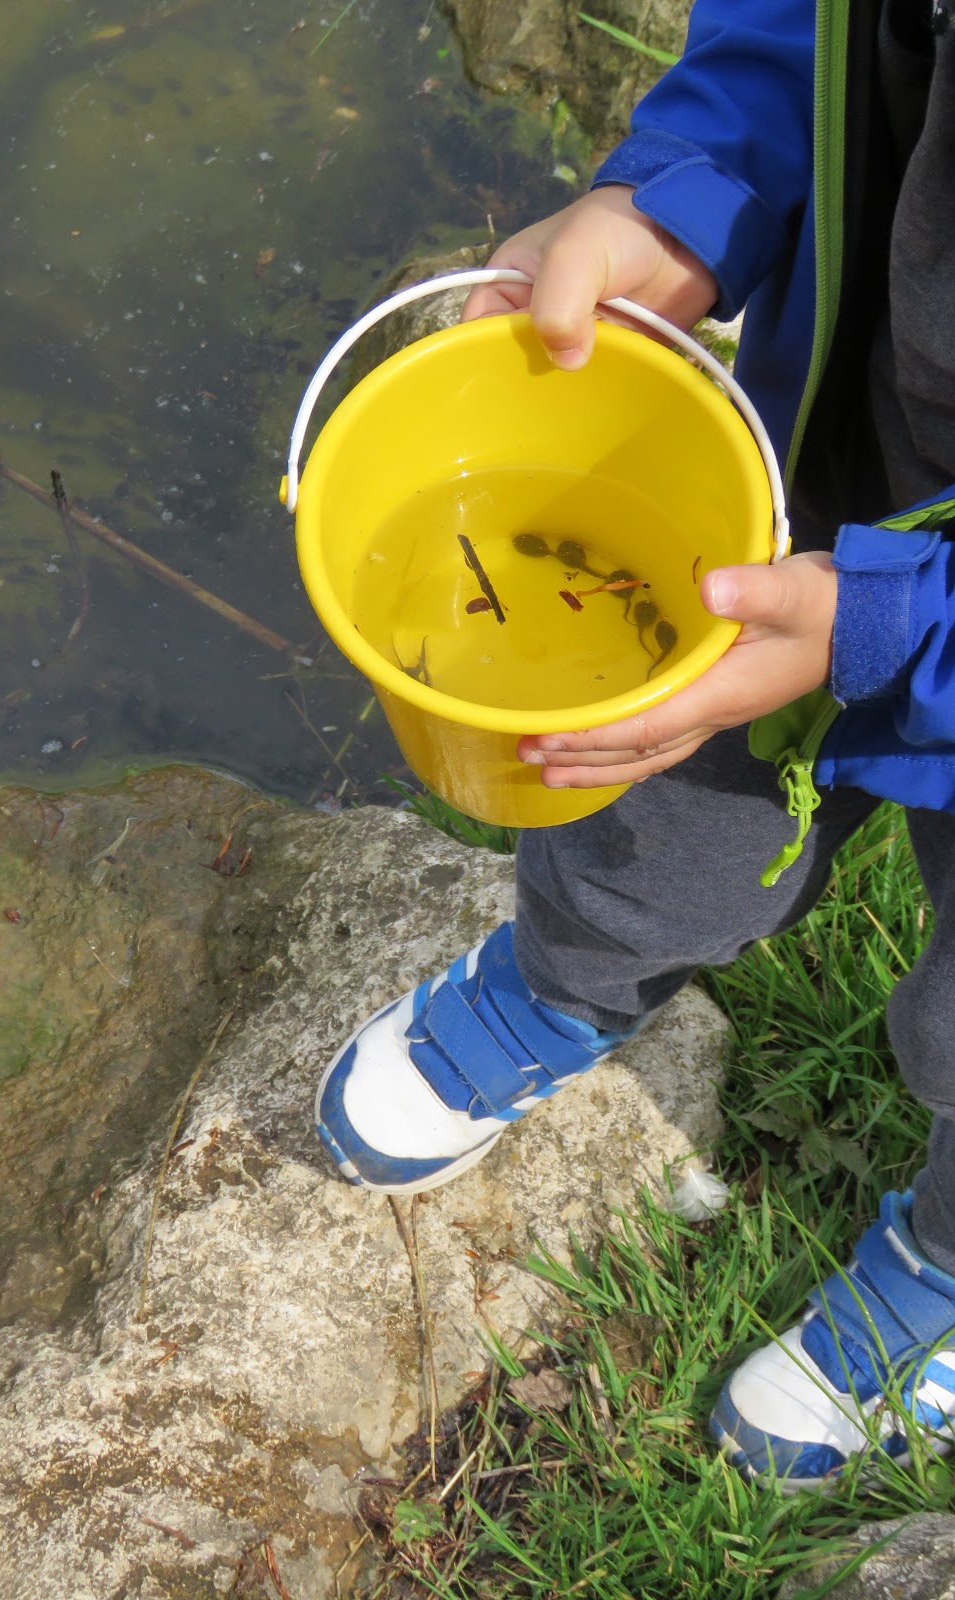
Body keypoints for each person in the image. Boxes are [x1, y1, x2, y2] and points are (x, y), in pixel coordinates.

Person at [314, 0, 955, 1489]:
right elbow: (809, 28)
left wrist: (899, 631)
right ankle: (569, 980)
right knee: (661, 811)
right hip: (827, 447)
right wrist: (684, 195)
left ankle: (942, 1263)